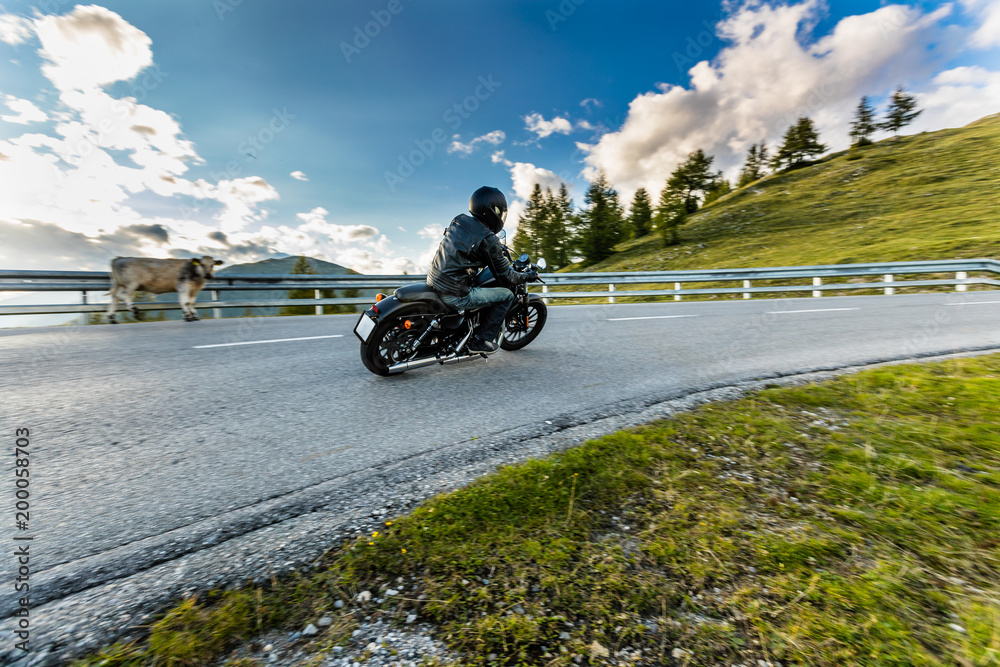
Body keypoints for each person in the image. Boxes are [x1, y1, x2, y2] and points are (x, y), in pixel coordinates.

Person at [426, 186, 537, 354]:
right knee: (506, 296)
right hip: (454, 293)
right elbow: (506, 277)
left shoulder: (459, 220)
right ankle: (481, 340)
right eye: (500, 212)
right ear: (493, 211)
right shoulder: (488, 239)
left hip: (435, 279)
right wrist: (527, 276)